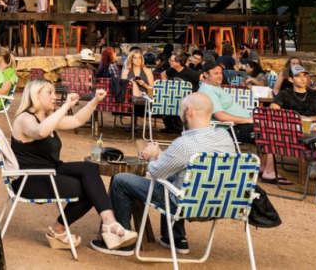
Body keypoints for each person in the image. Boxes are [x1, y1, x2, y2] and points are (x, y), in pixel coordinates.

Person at [92, 92, 236, 256]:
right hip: (220, 204)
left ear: (188, 111)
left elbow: (155, 172)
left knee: (120, 181)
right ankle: (175, 238)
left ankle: (121, 242)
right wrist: (162, 155)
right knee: (177, 177)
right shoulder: (225, 137)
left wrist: (153, 155)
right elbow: (178, 163)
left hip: (186, 206)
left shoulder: (184, 144)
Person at [11, 78, 137, 252]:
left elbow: (77, 120)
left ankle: (108, 223)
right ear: (35, 95)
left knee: (89, 169)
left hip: (50, 171)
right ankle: (60, 229)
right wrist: (65, 107)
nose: (55, 96)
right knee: (89, 188)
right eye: (50, 92)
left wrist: (94, 101)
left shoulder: (48, 119)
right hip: (30, 180)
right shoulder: (24, 119)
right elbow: (40, 131)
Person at [197, 60, 279, 182]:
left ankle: (263, 167)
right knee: (271, 131)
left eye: (220, 73)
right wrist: (249, 120)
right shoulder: (208, 91)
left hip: (237, 125)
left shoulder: (214, 88)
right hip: (230, 128)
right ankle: (268, 172)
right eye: (216, 73)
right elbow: (221, 116)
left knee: (272, 126)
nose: (220, 76)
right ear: (206, 75)